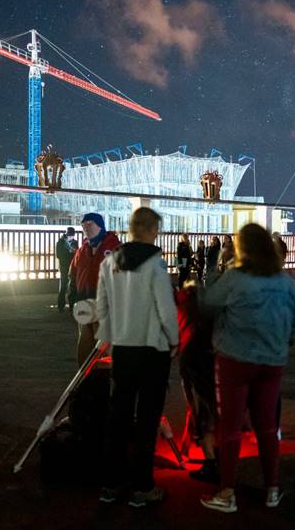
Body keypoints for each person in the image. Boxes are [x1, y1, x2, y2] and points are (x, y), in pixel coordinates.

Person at [199, 223, 295, 513]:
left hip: (235, 359)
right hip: (272, 362)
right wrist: (282, 342)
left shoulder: (235, 278)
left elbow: (208, 304)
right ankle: (272, 488)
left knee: (230, 427)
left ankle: (227, 491)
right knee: (268, 426)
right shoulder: (286, 282)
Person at [96, 207, 179, 508]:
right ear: (150, 228)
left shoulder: (109, 262)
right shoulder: (154, 265)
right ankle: (142, 486)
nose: (158, 233)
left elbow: (101, 306)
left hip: (122, 348)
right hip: (152, 349)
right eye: (156, 228)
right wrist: (174, 339)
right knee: (147, 418)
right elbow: (165, 309)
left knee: (117, 415)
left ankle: (110, 482)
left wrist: (107, 338)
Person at [175, 279, 219, 484]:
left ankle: (210, 461)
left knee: (196, 404)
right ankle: (216, 451)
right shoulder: (208, 305)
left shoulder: (179, 303)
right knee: (209, 402)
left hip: (189, 356)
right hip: (210, 355)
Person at [70, 213, 121, 365]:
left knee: (103, 344)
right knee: (85, 342)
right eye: (84, 226)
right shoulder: (82, 250)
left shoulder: (115, 248)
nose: (86, 228)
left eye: (90, 225)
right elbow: (73, 274)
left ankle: (101, 378)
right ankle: (85, 377)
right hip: (84, 301)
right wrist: (72, 296)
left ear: (100, 226)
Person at [55, 227, 78, 312]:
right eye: (70, 235)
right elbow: (59, 255)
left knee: (71, 285)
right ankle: (62, 305)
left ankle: (70, 305)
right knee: (64, 285)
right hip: (65, 266)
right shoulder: (61, 242)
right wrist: (70, 253)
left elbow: (76, 253)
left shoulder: (72, 242)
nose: (71, 237)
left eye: (72, 235)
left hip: (70, 266)